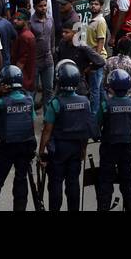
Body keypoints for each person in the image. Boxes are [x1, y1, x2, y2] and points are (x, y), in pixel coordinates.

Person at [0, 65, 36, 211]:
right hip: (25, 146)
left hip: (7, 147)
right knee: (21, 180)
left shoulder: (2, 102)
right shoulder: (29, 100)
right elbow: (32, 121)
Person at [38, 59, 90, 210]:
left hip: (58, 150)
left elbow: (47, 130)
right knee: (73, 182)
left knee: (55, 183)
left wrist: (41, 153)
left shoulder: (55, 103)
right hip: (76, 148)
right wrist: (84, 150)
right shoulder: (85, 102)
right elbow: (86, 130)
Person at [95, 68, 131, 211]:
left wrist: (99, 137)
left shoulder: (105, 105)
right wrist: (130, 140)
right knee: (127, 182)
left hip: (109, 147)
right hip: (127, 147)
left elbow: (97, 126)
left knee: (105, 182)